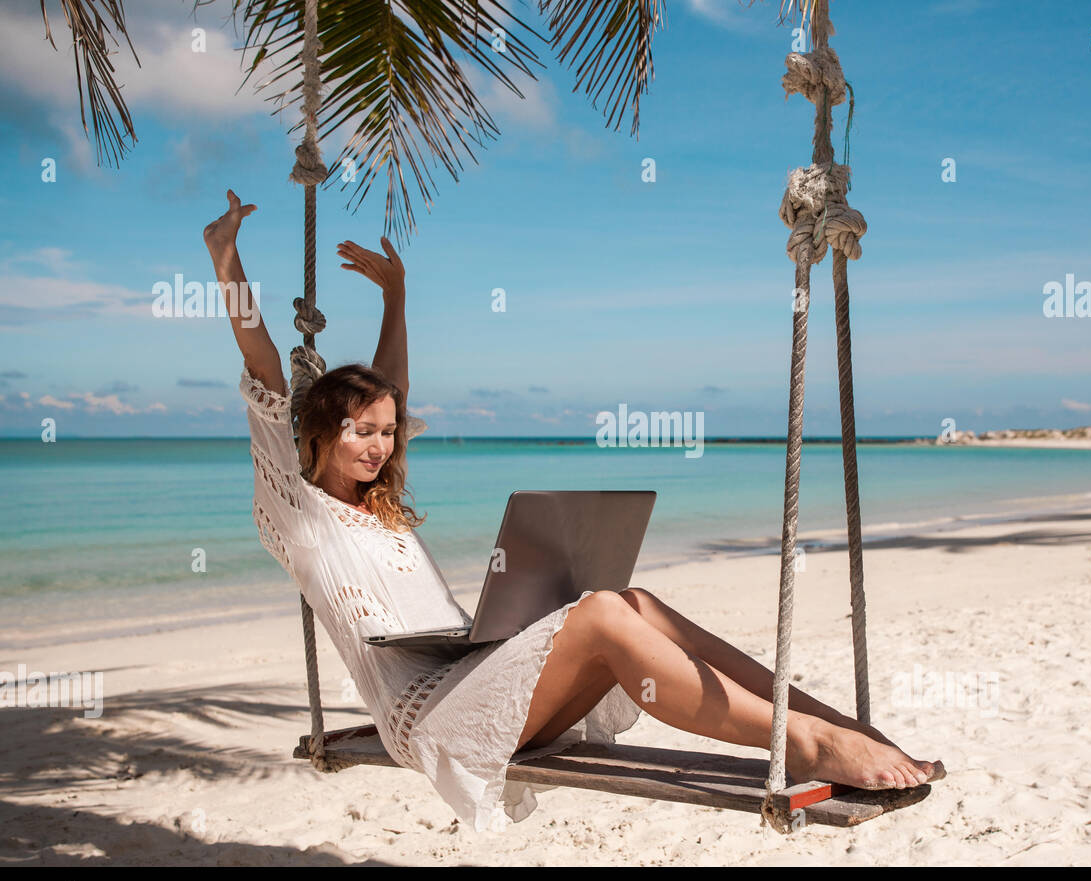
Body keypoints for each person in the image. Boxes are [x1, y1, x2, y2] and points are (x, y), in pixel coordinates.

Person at [204, 189, 943, 832]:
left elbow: (389, 386)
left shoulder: (385, 503)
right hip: (424, 715)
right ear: (317, 430)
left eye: (387, 431)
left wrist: (397, 296)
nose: (376, 445)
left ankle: (832, 723)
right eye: (358, 430)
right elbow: (263, 362)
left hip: (475, 677)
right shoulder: (296, 505)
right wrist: (226, 259)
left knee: (635, 601)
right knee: (598, 614)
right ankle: (808, 746)